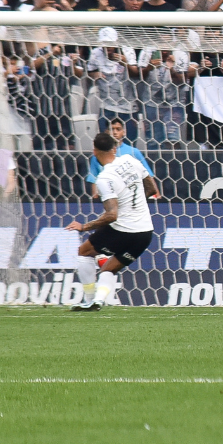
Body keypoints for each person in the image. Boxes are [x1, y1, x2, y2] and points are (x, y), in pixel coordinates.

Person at [66, 132, 159, 311]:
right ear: (114, 149)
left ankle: (89, 299)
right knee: (109, 268)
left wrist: (83, 226)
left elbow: (112, 215)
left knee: (84, 251)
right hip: (145, 233)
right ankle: (98, 301)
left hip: (123, 230)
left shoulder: (105, 178)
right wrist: (134, 206)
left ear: (94, 151)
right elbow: (152, 188)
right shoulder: (132, 161)